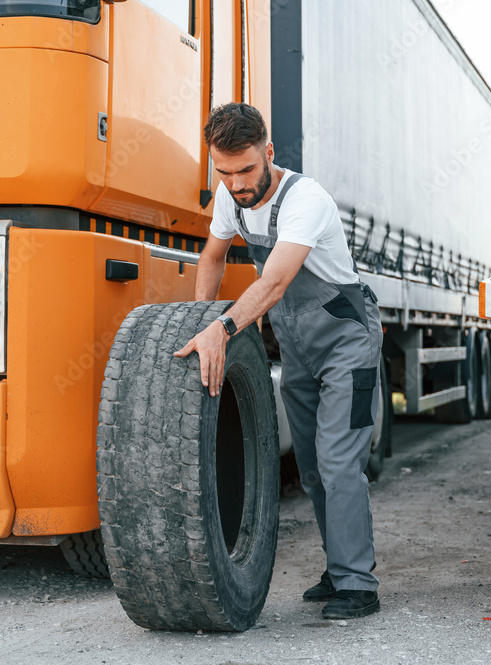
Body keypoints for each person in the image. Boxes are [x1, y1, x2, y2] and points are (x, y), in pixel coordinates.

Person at [174, 103, 384, 620]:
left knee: (339, 463)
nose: (237, 183)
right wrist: (204, 317)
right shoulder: (230, 197)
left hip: (346, 342)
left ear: (268, 153)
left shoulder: (304, 199)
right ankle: (338, 569)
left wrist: (222, 329)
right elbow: (213, 256)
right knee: (311, 468)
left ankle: (359, 584)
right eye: (224, 172)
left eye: (245, 169)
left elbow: (275, 281)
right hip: (298, 347)